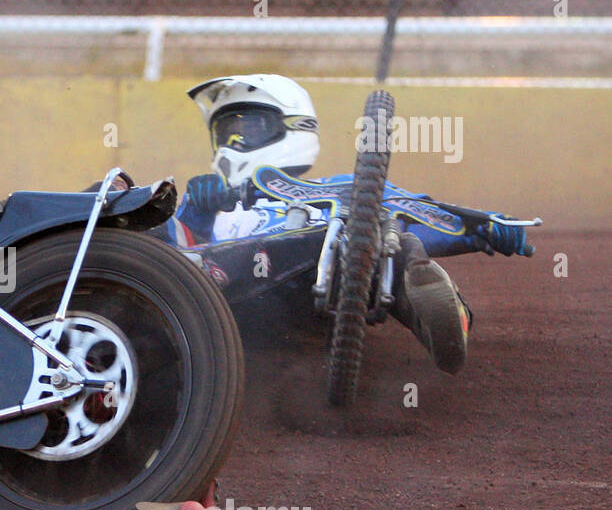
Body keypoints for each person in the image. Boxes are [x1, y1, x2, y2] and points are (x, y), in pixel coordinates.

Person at [156, 74, 530, 374]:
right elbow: (172, 253)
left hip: (320, 281)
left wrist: (483, 229)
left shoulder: (341, 189)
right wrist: (197, 211)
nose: (233, 143)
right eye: (226, 133)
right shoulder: (210, 201)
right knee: (143, 220)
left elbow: (415, 214)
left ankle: (439, 311)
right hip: (225, 297)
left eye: (248, 129)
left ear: (293, 128)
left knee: (394, 237)